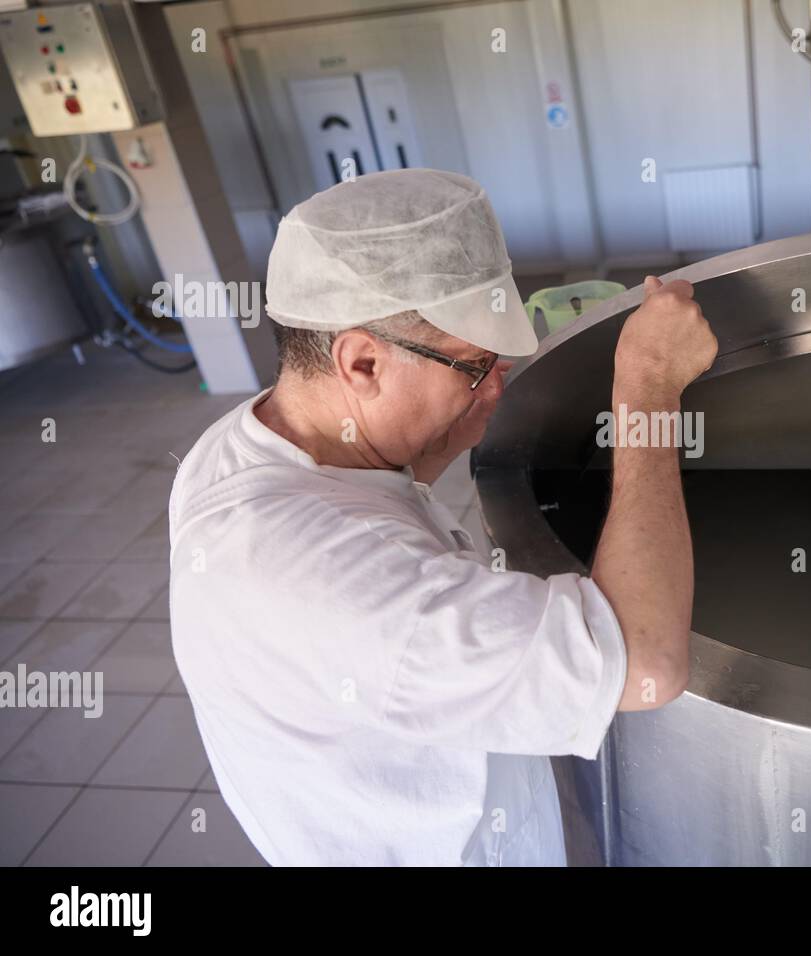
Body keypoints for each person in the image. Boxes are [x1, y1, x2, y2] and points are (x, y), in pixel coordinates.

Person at [168, 169, 717, 865]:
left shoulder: (246, 443)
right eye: (474, 365)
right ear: (362, 361)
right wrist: (648, 388)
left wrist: (456, 415)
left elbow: (382, 484)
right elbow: (647, 664)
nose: (496, 385)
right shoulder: (339, 588)